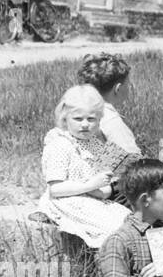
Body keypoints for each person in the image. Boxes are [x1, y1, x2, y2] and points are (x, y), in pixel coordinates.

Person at [37, 85, 130, 249]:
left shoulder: (95, 144)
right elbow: (56, 189)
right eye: (78, 119)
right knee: (111, 228)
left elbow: (105, 181)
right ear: (65, 119)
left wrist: (102, 190)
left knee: (127, 219)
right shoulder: (60, 144)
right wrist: (90, 185)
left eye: (91, 119)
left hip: (92, 197)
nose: (85, 125)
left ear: (99, 119)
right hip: (66, 200)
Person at [75, 52, 139, 153]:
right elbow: (133, 163)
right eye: (128, 83)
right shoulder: (112, 122)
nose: (130, 87)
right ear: (117, 89)